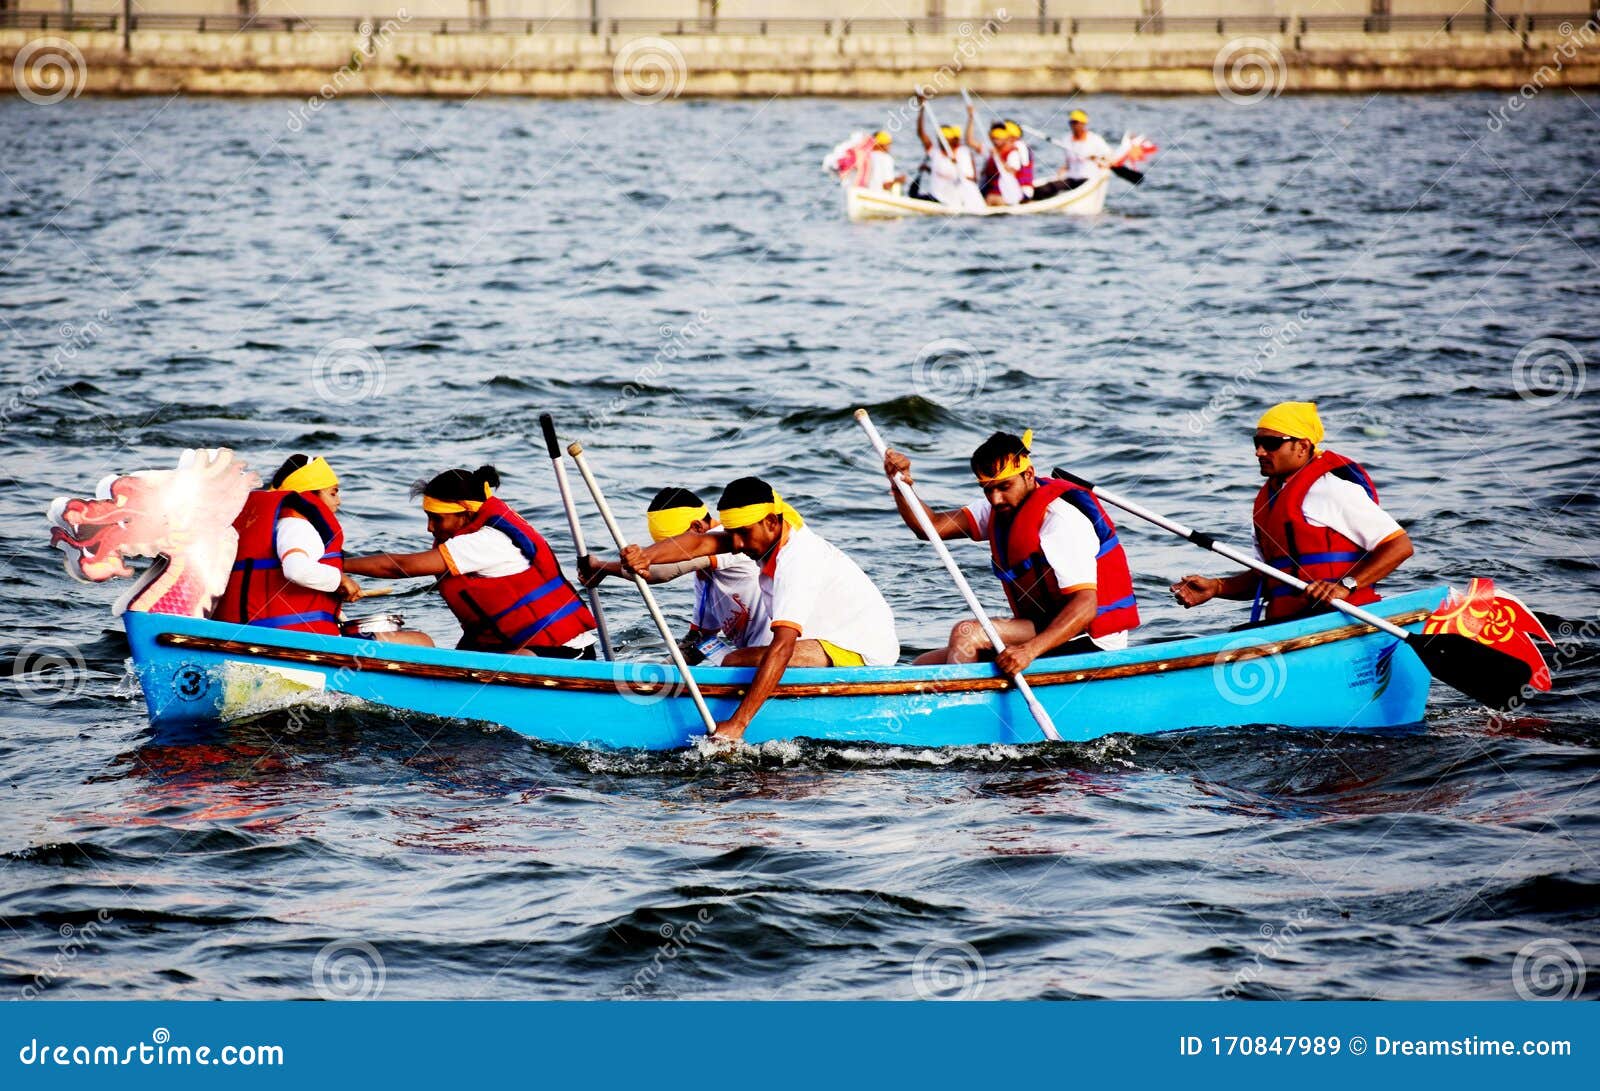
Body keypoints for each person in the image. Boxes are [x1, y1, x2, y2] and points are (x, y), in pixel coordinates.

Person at [621, 477, 899, 740]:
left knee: (734, 661)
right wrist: (646, 554)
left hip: (859, 650)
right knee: (732, 658)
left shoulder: (799, 562)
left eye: (743, 534)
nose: (738, 545)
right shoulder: (763, 531)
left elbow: (782, 647)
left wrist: (737, 724)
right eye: (733, 535)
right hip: (824, 641)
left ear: (769, 522)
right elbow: (701, 543)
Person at [881, 430, 1140, 671]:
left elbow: (1086, 606)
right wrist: (901, 486)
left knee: (966, 634)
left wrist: (1028, 651)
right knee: (925, 664)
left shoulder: (1060, 521)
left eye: (1004, 487)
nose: (995, 499)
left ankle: (966, 711)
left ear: (1028, 475)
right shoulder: (1000, 507)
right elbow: (931, 528)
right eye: (988, 490)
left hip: (1090, 640)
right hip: (1044, 628)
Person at [1171, 402, 1415, 623]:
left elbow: (1399, 546)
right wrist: (1217, 587)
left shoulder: (1331, 489)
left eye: (1272, 444)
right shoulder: (1268, 500)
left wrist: (1346, 586)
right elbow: (1271, 577)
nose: (1260, 452)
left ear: (1302, 446)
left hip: (1344, 619)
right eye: (1257, 443)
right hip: (1291, 623)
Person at [344, 466, 597, 657]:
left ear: (466, 512)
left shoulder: (485, 541)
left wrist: (336, 564)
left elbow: (399, 566)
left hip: (562, 652)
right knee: (426, 644)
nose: (429, 528)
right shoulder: (470, 534)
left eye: (437, 519)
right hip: (509, 642)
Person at [581, 487, 767, 665]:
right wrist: (660, 675)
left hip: (780, 657)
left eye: (673, 550)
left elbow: (660, 573)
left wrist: (602, 567)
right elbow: (698, 642)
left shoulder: (729, 539)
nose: (668, 558)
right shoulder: (705, 577)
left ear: (697, 527)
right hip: (753, 658)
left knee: (731, 662)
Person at [213, 454, 361, 635]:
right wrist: (341, 579)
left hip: (236, 629)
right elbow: (296, 570)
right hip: (279, 638)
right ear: (309, 494)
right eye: (333, 492)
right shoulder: (296, 525)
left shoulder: (264, 525)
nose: (339, 501)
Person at [915, 96, 985, 212]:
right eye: (940, 138)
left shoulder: (963, 153)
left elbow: (972, 179)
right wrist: (922, 109)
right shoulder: (935, 151)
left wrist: (955, 166)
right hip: (935, 197)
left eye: (945, 139)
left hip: (955, 200)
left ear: (953, 139)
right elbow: (921, 133)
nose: (941, 141)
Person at [1029, 108, 1111, 201]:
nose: (1074, 126)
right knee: (1044, 189)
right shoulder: (1066, 139)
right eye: (1072, 123)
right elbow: (1068, 163)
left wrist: (1097, 159)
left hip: (1087, 178)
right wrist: (1062, 170)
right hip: (1071, 178)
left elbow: (1108, 156)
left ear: (1083, 124)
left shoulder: (1095, 140)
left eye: (1076, 122)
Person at [975, 118, 1025, 207]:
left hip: (1008, 193)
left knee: (993, 198)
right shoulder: (990, 150)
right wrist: (971, 118)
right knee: (990, 197)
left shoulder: (1016, 150)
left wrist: (998, 158)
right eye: (994, 139)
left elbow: (1012, 171)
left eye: (998, 139)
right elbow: (971, 142)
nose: (995, 141)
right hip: (990, 193)